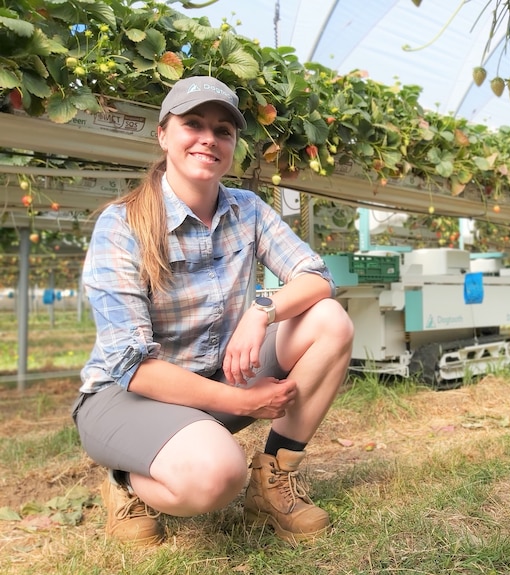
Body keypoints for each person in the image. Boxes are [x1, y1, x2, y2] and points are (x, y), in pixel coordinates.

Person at [71, 76, 354, 547]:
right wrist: (244, 402)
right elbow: (131, 365)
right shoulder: (122, 224)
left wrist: (261, 310)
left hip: (213, 378)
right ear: (163, 134)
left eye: (223, 130)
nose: (209, 138)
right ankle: (126, 481)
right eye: (193, 124)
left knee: (330, 321)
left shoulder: (248, 209)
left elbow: (316, 275)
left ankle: (272, 481)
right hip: (125, 396)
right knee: (216, 477)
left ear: (233, 145)